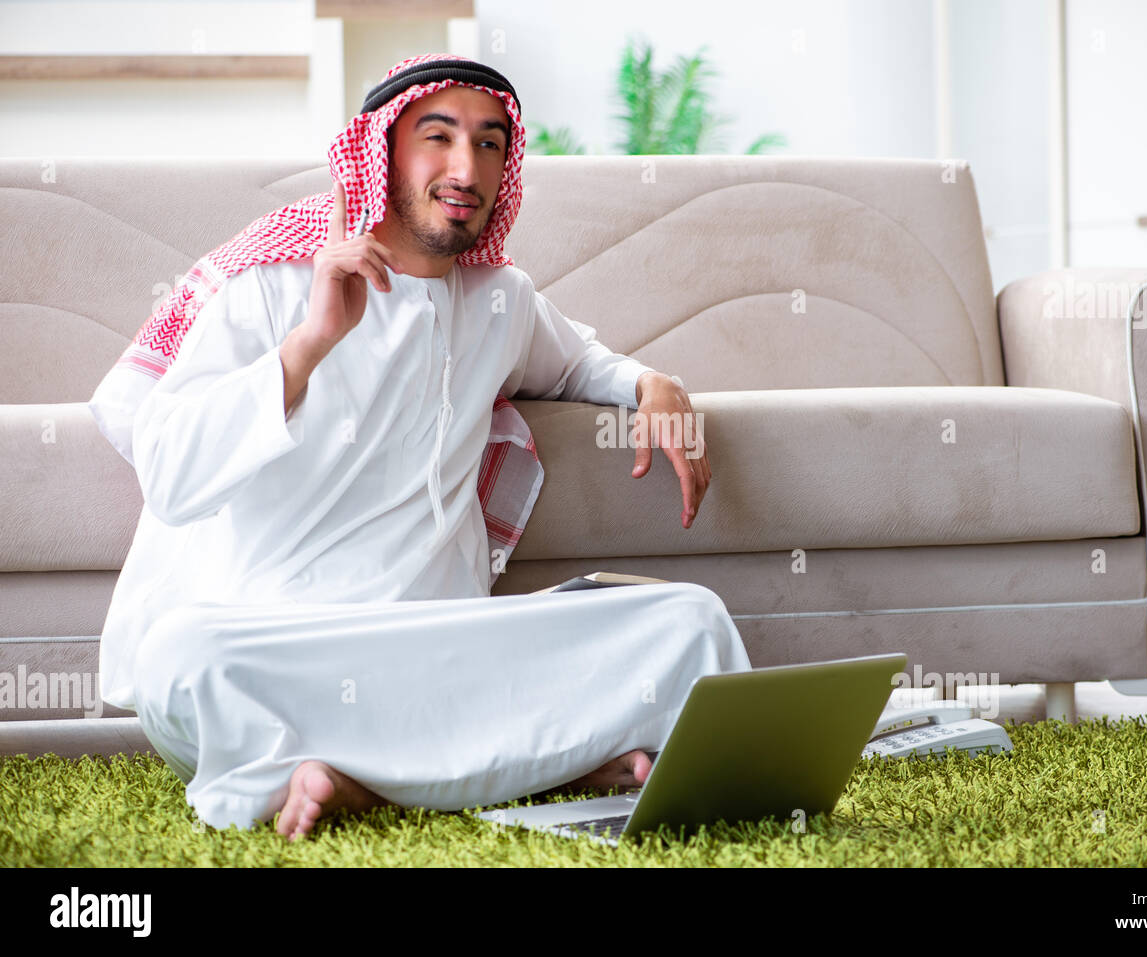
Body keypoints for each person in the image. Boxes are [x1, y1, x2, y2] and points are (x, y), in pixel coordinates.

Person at [96, 54, 752, 840]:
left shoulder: (499, 300)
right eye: (436, 137)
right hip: (283, 654)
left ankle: (348, 778)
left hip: (438, 653)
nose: (464, 167)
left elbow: (578, 360)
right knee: (181, 657)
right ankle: (542, 762)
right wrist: (310, 344)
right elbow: (170, 474)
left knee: (689, 621)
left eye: (489, 145)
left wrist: (652, 383)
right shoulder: (270, 289)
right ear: (381, 152)